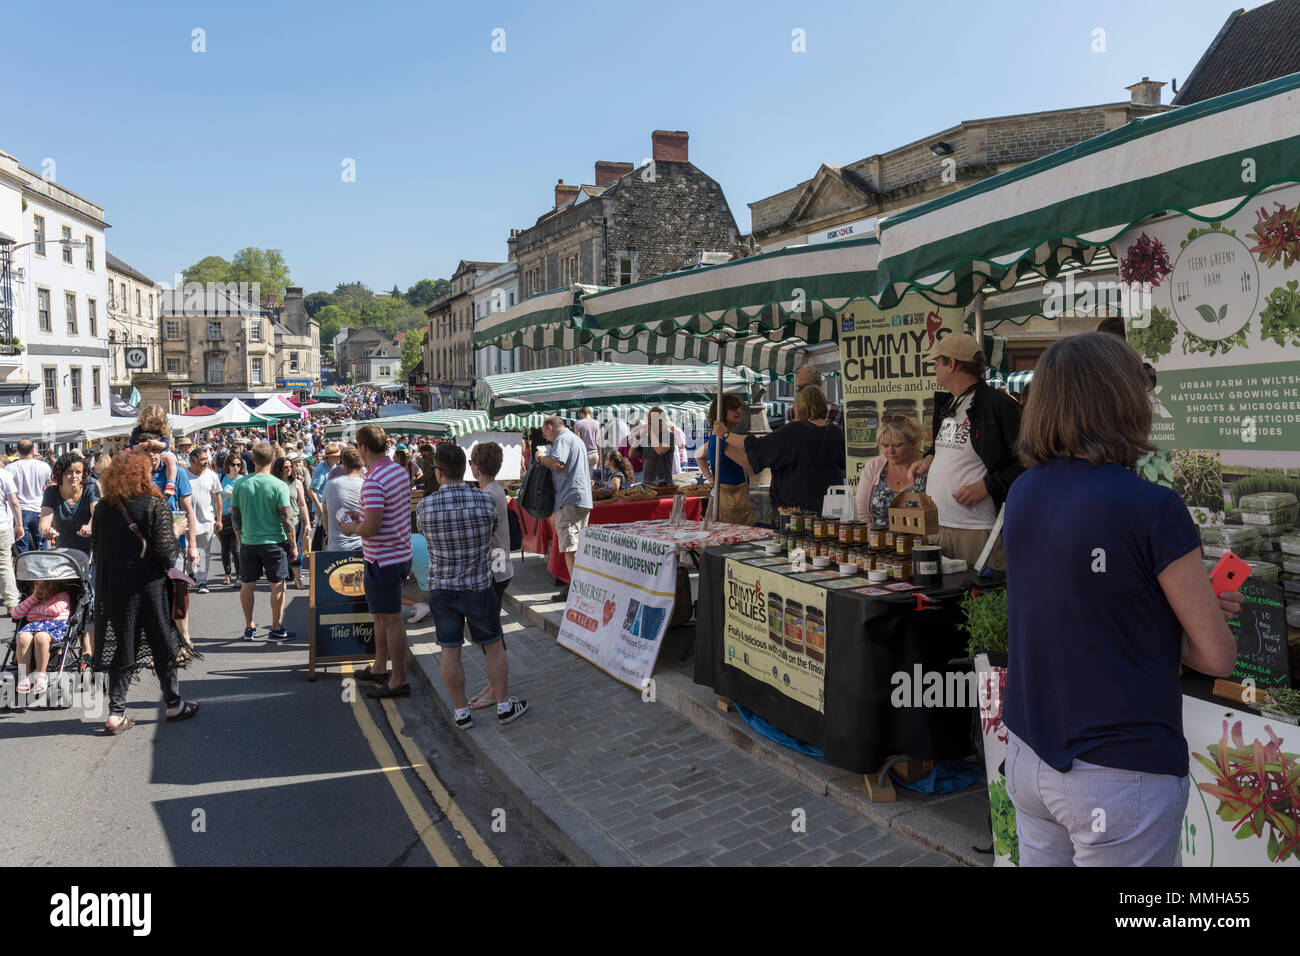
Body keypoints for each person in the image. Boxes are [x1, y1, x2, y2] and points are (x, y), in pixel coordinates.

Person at [1002, 331, 1241, 866]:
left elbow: (1077, 605)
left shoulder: (1024, 492)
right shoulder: (1152, 507)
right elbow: (1215, 656)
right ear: (1121, 399)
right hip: (1117, 771)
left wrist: (1162, 614)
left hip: (1029, 753)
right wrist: (1187, 618)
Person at [416, 442, 527, 729]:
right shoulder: (484, 501)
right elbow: (491, 535)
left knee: (450, 650)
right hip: (478, 585)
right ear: (465, 469)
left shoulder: (425, 506)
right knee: (493, 646)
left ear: (439, 472)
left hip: (442, 586)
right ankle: (503, 705)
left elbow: (427, 537)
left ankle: (461, 712)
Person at [92, 451, 199, 734]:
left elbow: (98, 550)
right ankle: (174, 703)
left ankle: (115, 713)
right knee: (162, 644)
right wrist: (176, 531)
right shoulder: (154, 503)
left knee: (123, 647)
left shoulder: (103, 507)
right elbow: (166, 554)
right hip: (149, 586)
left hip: (115, 588)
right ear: (142, 474)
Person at [907, 333, 1024, 570]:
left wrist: (987, 486)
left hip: (978, 530)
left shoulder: (998, 405)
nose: (935, 368)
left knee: (978, 602)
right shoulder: (949, 403)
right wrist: (930, 456)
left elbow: (1029, 461)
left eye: (937, 362)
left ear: (951, 364)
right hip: (938, 527)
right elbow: (949, 443)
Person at [338, 425, 413, 698]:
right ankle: (380, 667)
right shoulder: (396, 471)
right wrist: (362, 518)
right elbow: (385, 515)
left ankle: (400, 680)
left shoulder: (373, 481)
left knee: (391, 620)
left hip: (383, 559)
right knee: (380, 617)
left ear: (364, 448)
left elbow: (370, 529)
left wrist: (351, 527)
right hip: (399, 553)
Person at [714, 385, 845, 514]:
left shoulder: (794, 430)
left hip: (799, 512)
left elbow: (758, 446)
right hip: (831, 508)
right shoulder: (835, 432)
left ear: (801, 405)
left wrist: (725, 435)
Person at [231, 442, 296, 643]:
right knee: (277, 585)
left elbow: (235, 516)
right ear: (273, 460)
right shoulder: (279, 485)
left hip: (250, 542)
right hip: (274, 541)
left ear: (253, 460)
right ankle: (276, 627)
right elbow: (286, 518)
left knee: (247, 584)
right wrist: (293, 545)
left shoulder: (240, 484)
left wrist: (240, 537)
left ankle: (249, 625)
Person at [536, 415, 592, 603]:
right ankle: (580, 587)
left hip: (569, 499)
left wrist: (541, 459)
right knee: (579, 547)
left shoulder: (562, 439)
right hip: (581, 498)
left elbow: (557, 463)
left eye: (545, 433)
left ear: (550, 427)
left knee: (571, 549)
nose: (546, 438)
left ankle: (578, 592)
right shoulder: (576, 439)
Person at [853, 416, 928, 528]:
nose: (890, 451)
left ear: (913, 442)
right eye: (885, 445)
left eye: (897, 445)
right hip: (879, 542)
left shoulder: (928, 466)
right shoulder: (873, 466)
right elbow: (862, 515)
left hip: (922, 542)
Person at [695, 393, 753, 525]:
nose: (738, 411)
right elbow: (749, 463)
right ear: (721, 412)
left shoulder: (716, 438)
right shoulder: (722, 439)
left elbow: (698, 455)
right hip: (730, 504)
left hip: (725, 500)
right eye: (733, 408)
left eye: (739, 407)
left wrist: (711, 479)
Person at [10, 579, 72, 696]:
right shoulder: (33, 599)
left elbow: (54, 610)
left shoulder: (62, 596)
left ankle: (40, 674)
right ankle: (24, 675)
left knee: (41, 637)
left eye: (45, 585)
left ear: (54, 586)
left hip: (53, 628)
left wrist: (33, 612)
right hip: (33, 626)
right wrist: (33, 599)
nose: (39, 588)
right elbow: (15, 613)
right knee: (23, 637)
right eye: (37, 585)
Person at [470, 442, 513, 600]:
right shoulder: (495, 489)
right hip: (499, 561)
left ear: (476, 467)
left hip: (495, 565)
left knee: (489, 619)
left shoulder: (488, 496)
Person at [40, 453, 98, 555]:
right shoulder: (51, 492)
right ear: (60, 473)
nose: (74, 476)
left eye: (78, 472)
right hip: (63, 552)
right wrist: (47, 531)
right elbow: (44, 522)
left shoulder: (90, 489)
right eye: (69, 472)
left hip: (90, 551)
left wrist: (89, 526)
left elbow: (97, 514)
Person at [185, 447, 223, 594]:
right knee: (188, 552)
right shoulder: (184, 475)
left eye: (206, 459)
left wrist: (218, 519)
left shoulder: (211, 476)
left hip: (206, 521)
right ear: (192, 461)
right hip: (187, 523)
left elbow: (217, 499)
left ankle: (202, 581)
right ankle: (191, 572)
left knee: (204, 552)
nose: (205, 462)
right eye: (202, 459)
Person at [274, 456, 312, 589]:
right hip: (278, 524)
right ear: (279, 469)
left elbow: (302, 504)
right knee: (282, 552)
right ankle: (283, 579)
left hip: (295, 521)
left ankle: (297, 578)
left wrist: (307, 522)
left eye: (291, 467)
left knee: (295, 550)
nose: (289, 469)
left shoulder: (296, 483)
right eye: (285, 467)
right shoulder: (275, 483)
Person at [10, 438, 52, 553]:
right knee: (41, 547)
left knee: (22, 549)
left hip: (20, 510)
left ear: (18, 451)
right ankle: (41, 569)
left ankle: (25, 569)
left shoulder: (11, 468)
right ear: (33, 450)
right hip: (40, 508)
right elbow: (49, 488)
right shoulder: (44, 467)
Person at [129, 404, 179, 498]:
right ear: (144, 420)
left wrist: (156, 444)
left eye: (157, 424)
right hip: (141, 453)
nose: (153, 426)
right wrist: (139, 447)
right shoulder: (138, 430)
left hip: (161, 452)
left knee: (171, 459)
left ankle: (171, 483)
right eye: (150, 422)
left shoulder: (161, 431)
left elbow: (166, 444)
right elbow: (131, 446)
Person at [324, 447, 365, 551]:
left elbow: (324, 513)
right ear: (361, 464)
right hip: (360, 546)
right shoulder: (366, 485)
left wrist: (328, 534)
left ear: (343, 465)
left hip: (335, 547)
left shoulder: (330, 484)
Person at [218, 454, 244, 586]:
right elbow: (214, 498)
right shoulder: (220, 478)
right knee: (225, 549)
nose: (236, 467)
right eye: (233, 464)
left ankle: (239, 575)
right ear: (227, 465)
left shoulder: (243, 480)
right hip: (222, 518)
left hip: (238, 517)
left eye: (239, 465)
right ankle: (227, 574)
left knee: (236, 549)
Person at [0, 460, 23, 612]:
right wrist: (19, 524)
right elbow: (14, 502)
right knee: (4, 563)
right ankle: (11, 602)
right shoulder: (4, 474)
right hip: (1, 525)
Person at [636, 407, 679, 486]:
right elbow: (631, 454)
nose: (648, 423)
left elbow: (660, 451)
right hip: (647, 483)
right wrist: (637, 439)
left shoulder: (669, 435)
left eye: (651, 420)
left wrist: (649, 432)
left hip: (663, 484)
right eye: (648, 420)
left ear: (660, 421)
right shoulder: (648, 437)